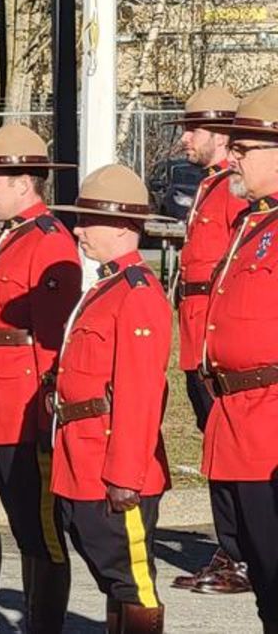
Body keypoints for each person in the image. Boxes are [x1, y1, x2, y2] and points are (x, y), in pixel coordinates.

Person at [0, 124, 82, 633]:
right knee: (21, 521)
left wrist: (43, 416)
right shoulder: (8, 236)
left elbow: (52, 339)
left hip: (24, 402)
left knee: (40, 529)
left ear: (25, 182)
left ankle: (44, 624)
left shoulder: (48, 240)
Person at [50, 164, 172, 633]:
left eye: (88, 220)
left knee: (132, 581)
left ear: (123, 226)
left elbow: (140, 394)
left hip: (113, 465)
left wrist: (125, 476)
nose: (78, 230)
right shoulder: (106, 287)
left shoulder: (137, 294)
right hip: (82, 454)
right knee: (111, 577)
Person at [162, 86, 251, 596]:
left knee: (231, 443)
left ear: (219, 134)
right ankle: (231, 544)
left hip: (215, 326)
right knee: (215, 440)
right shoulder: (212, 186)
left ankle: (240, 550)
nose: (186, 140)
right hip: (197, 329)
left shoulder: (232, 190)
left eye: (193, 130)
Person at [201, 82, 278, 631]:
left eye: (244, 149)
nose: (232, 158)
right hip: (237, 418)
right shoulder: (253, 224)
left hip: (271, 420)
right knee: (263, 570)